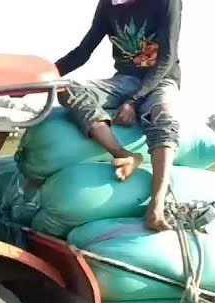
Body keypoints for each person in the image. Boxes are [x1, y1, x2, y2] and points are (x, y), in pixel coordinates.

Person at [56, 0, 183, 231]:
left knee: (162, 117)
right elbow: (83, 52)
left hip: (161, 78)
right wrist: (43, 77)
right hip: (125, 80)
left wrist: (133, 101)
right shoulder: (108, 4)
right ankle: (123, 153)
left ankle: (156, 206)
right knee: (66, 88)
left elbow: (167, 56)